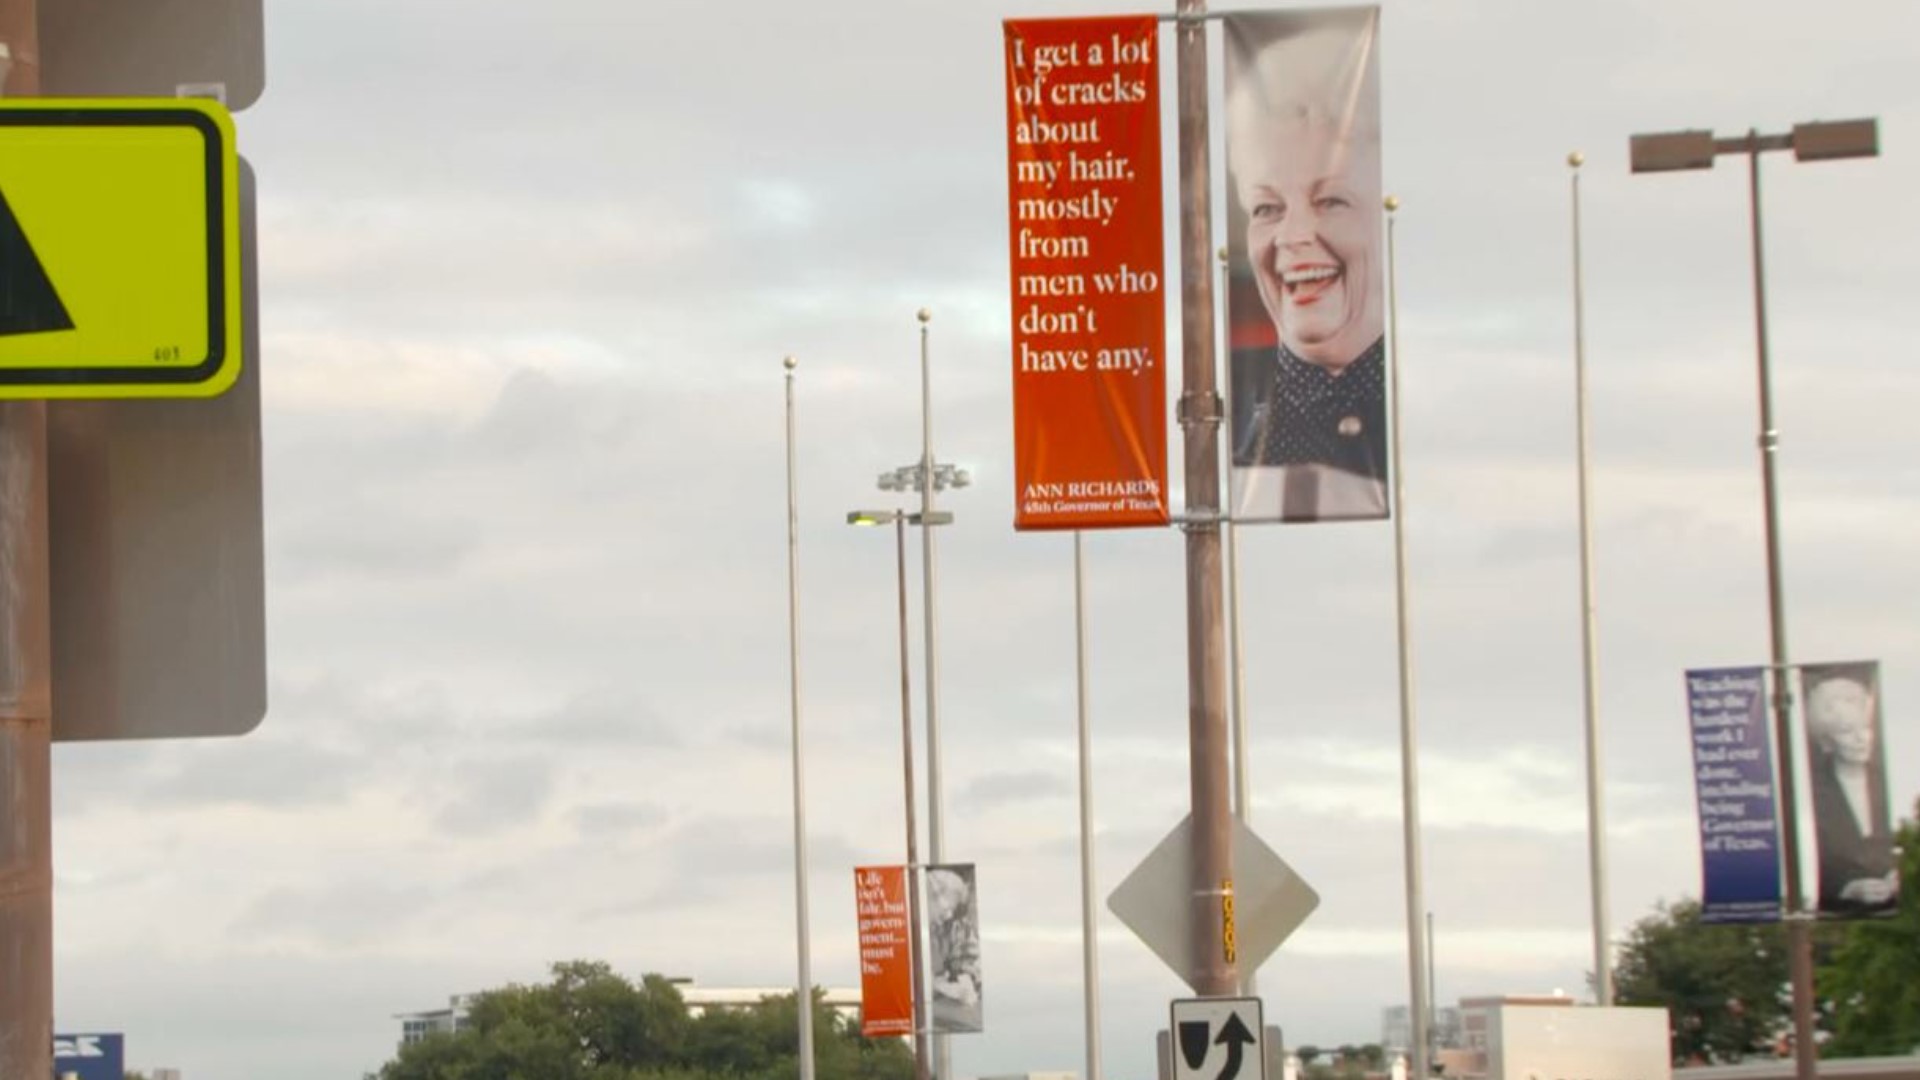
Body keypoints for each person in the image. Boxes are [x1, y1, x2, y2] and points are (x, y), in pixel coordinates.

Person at [1225, 14, 1388, 522]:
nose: (1293, 237)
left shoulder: (1423, 416)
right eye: (1267, 208)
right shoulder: (1250, 435)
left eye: (1330, 200)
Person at [1803, 668, 1898, 915]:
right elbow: (1823, 865)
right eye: (1846, 731)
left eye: (1865, 728)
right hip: (1844, 913)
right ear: (1827, 741)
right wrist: (1848, 889)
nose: (1861, 739)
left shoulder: (1885, 783)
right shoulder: (1819, 793)